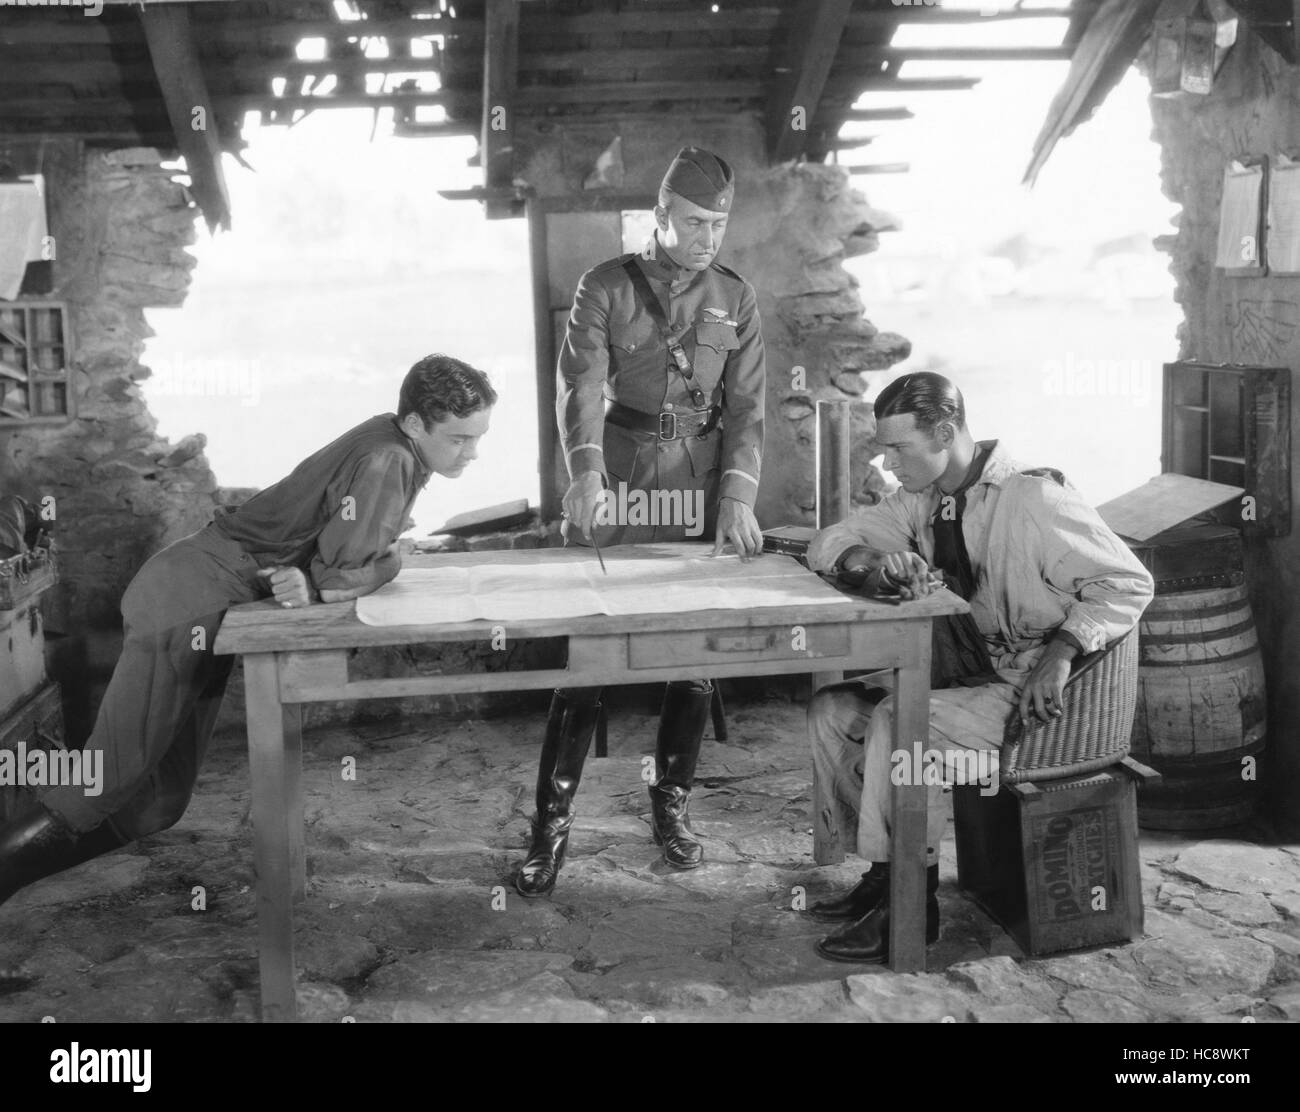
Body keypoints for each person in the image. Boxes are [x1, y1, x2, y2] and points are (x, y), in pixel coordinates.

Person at [0, 354, 495, 908]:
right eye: (458, 440)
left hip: (216, 600)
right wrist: (393, 560)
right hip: (186, 596)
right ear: (413, 424)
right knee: (103, 780)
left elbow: (326, 569)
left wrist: (318, 573)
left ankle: (19, 876)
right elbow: (338, 581)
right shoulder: (389, 457)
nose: (471, 453)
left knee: (161, 802)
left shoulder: (393, 442)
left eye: (477, 438)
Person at [805, 371, 1153, 962]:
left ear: (945, 431)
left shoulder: (1035, 499)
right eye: (884, 448)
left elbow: (1127, 584)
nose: (888, 464)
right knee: (833, 709)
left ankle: (912, 908)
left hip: (1033, 696)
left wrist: (1063, 654)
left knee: (897, 719)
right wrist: (877, 560)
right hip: (970, 677)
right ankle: (882, 873)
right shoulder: (920, 499)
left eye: (899, 447)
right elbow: (829, 542)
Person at [515, 146, 766, 897]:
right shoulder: (606, 286)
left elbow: (748, 407)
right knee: (589, 656)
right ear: (659, 217)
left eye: (718, 223)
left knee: (690, 661)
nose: (706, 237)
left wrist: (737, 494)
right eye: (693, 221)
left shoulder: (735, 297)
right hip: (619, 481)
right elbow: (582, 385)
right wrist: (586, 473)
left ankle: (671, 805)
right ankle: (550, 826)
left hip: (695, 483)